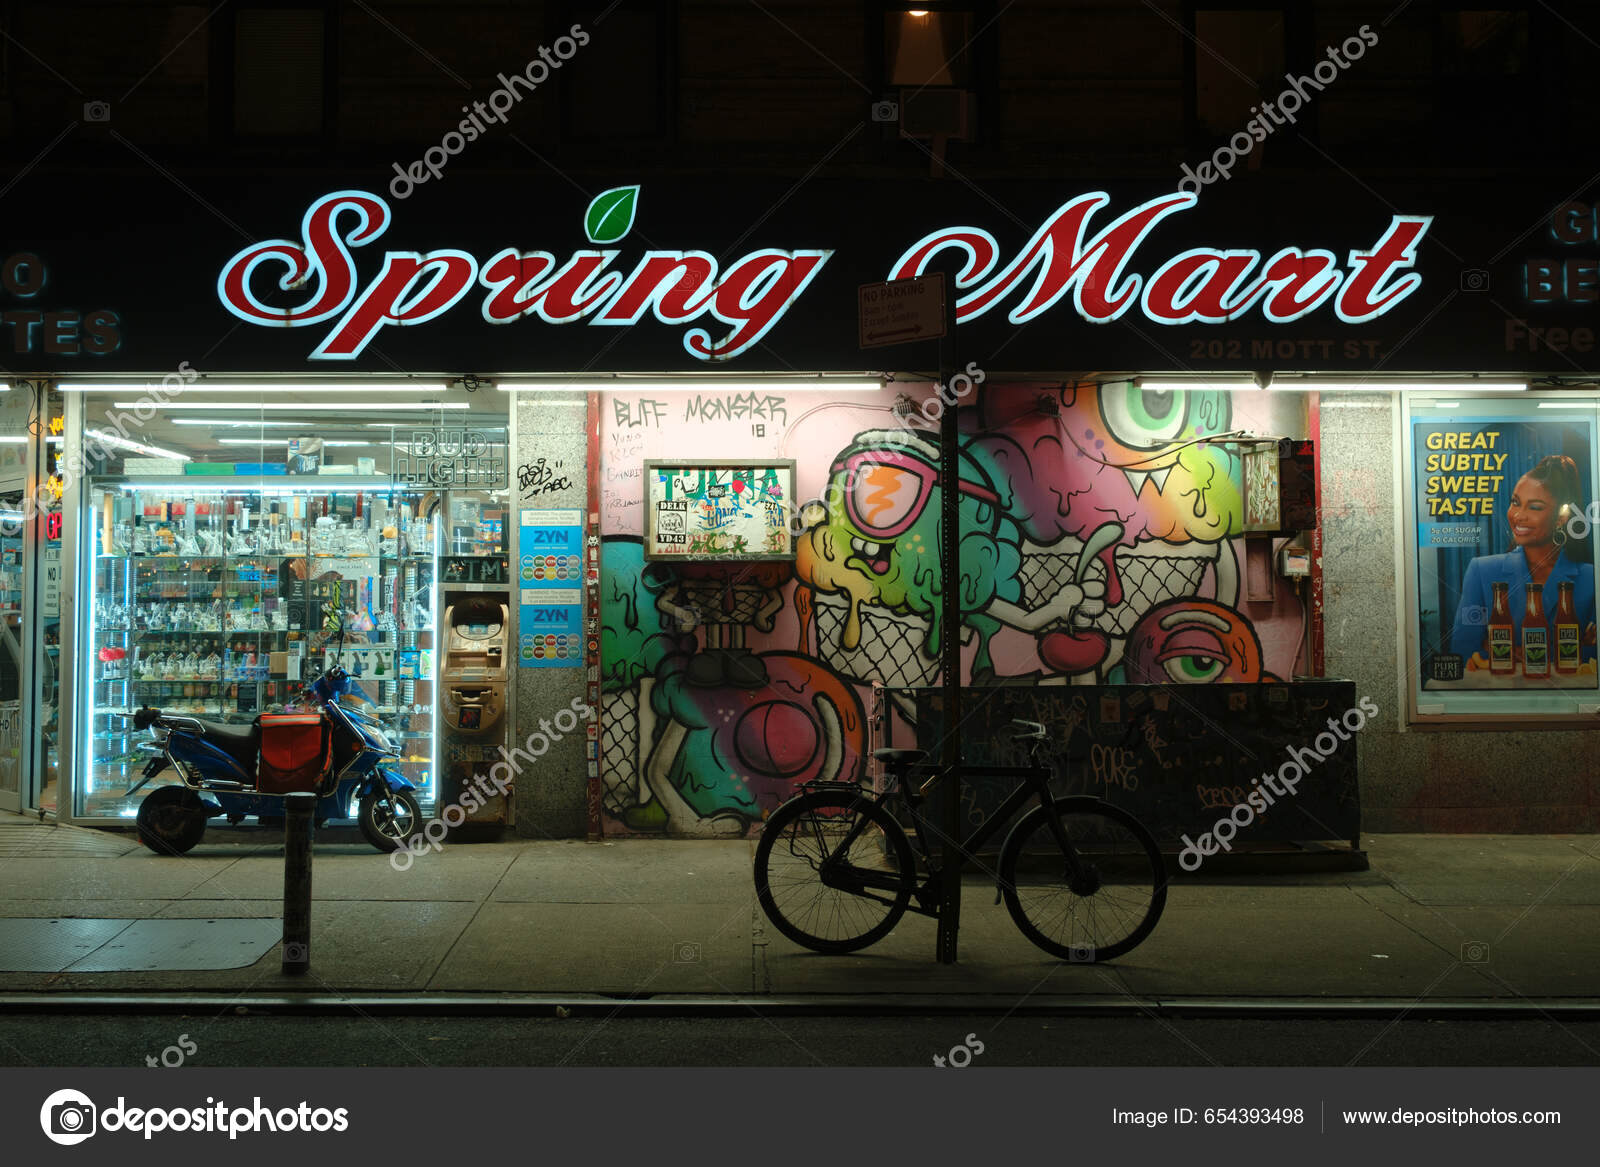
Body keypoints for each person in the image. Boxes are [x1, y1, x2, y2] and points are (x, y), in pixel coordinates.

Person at [1449, 454, 1597, 666]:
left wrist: (1501, 651)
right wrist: (1568, 650)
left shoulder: (1591, 578)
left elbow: (1593, 659)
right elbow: (1463, 651)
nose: (1518, 516)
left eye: (1534, 507)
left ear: (1561, 519)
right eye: (1515, 503)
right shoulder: (1481, 571)